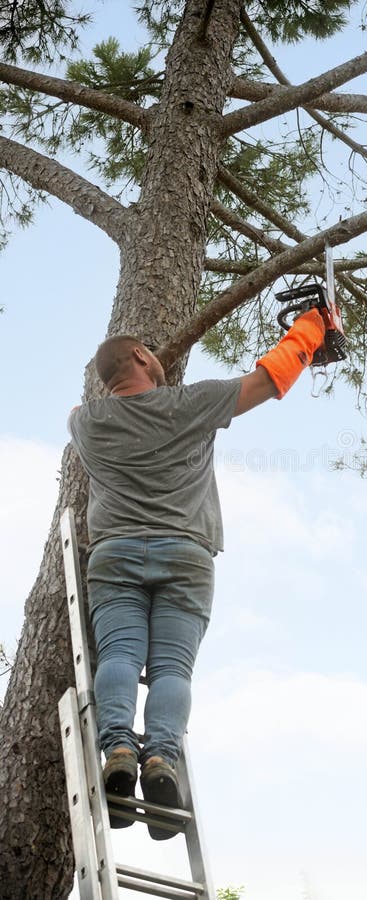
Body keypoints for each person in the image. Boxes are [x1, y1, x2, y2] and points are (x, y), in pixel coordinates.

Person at [68, 308, 325, 839]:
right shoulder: (190, 404)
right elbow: (271, 378)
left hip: (115, 555)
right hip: (185, 555)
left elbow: (85, 409)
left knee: (119, 656)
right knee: (172, 670)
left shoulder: (84, 423)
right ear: (140, 355)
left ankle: (118, 749)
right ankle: (161, 758)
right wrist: (314, 327)